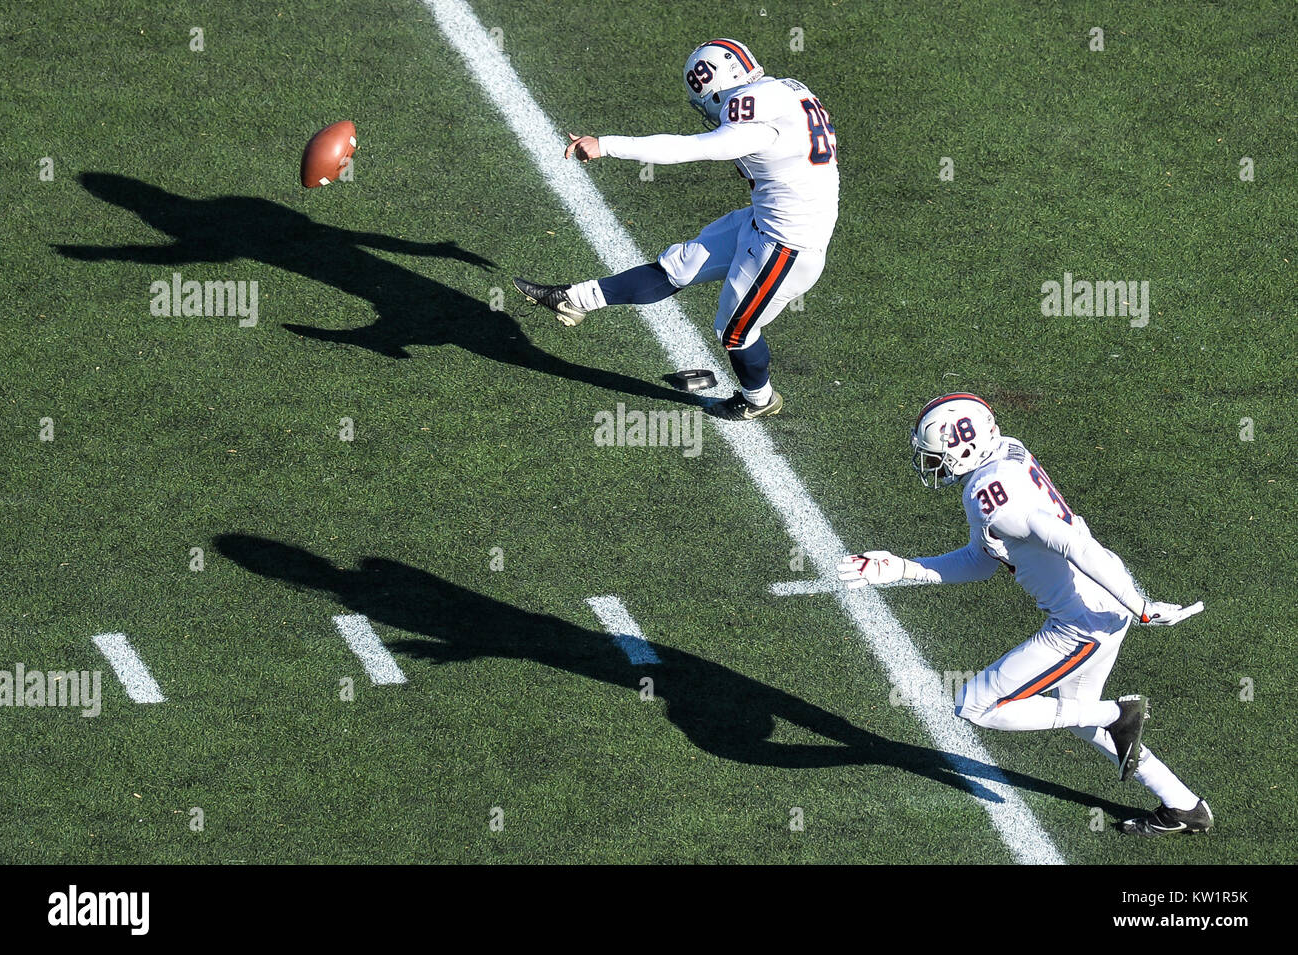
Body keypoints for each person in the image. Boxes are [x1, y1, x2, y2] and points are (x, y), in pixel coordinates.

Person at [839, 393, 1213, 835]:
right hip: (1100, 605)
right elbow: (982, 560)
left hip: (1081, 622)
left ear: (964, 449)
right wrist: (902, 567)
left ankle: (1119, 715)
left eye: (936, 455)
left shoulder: (987, 493)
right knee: (1078, 714)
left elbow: (1070, 543)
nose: (931, 465)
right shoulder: (1004, 456)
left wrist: (1141, 603)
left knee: (977, 705)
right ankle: (1183, 805)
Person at [514, 38, 838, 420]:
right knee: (679, 264)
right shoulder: (785, 90)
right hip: (766, 219)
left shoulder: (752, 116)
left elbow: (687, 149)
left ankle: (759, 399)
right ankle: (575, 299)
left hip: (788, 245)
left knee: (733, 332)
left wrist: (606, 145)